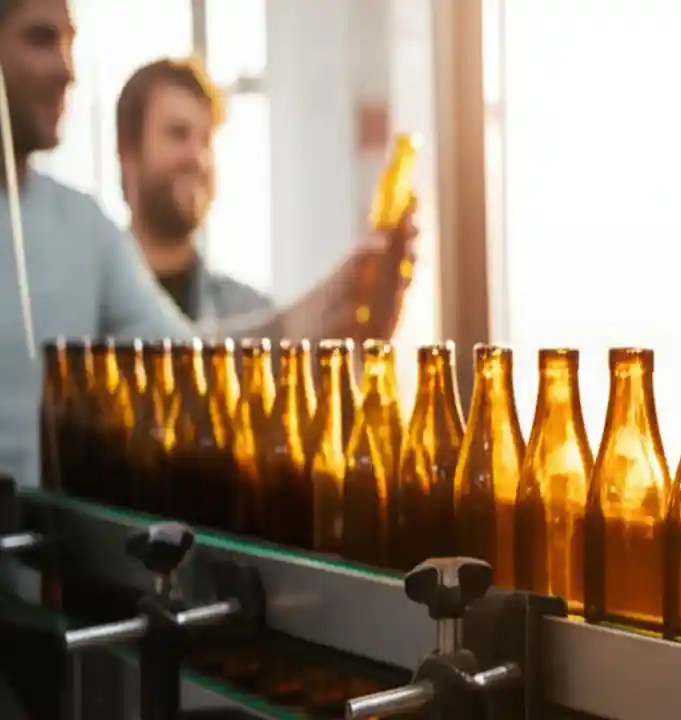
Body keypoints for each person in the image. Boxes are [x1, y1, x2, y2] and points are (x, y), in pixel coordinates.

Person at [0, 0, 418, 490]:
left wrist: (347, 297)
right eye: (40, 38)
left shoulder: (83, 230)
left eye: (70, 42)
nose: (67, 69)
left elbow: (194, 365)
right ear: (126, 150)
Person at [116, 58, 273, 321]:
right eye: (178, 134)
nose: (198, 158)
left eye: (206, 139)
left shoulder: (252, 316)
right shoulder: (83, 314)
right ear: (128, 152)